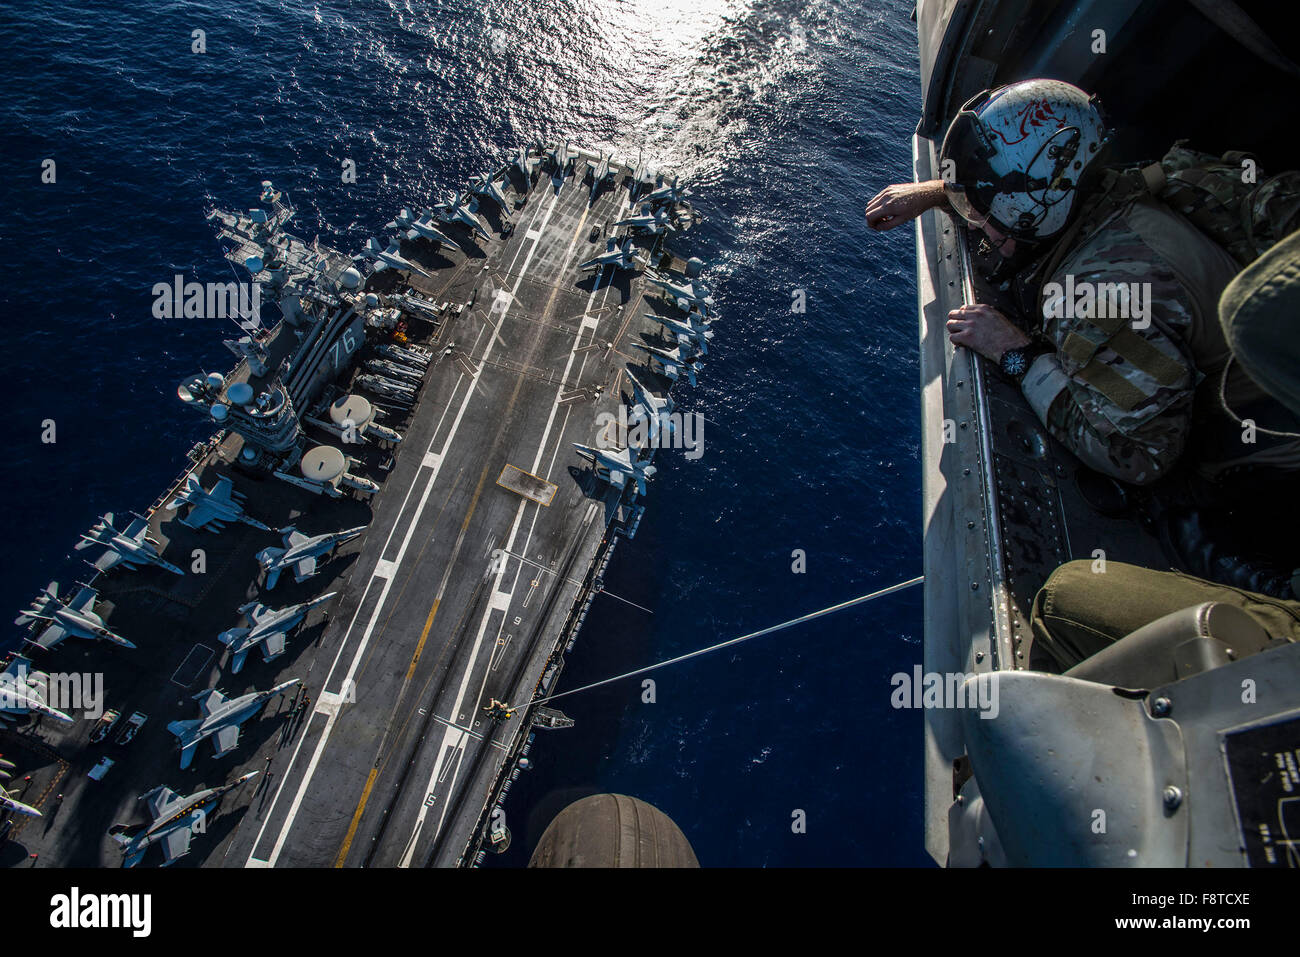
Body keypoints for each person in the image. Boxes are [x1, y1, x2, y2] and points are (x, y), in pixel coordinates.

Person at [865, 78, 1300, 486]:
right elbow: (1039, 190)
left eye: (983, 213)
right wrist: (942, 191)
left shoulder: (1091, 300)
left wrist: (1016, 353)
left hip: (1267, 446)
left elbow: (1137, 455)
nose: (981, 227)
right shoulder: (1138, 181)